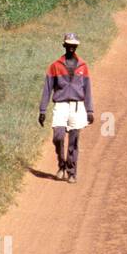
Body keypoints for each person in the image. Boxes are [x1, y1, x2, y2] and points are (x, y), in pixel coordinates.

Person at [38, 32, 95, 183]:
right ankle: (61, 163)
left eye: (74, 45)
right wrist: (42, 110)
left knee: (73, 141)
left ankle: (71, 171)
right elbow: (47, 89)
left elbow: (88, 89)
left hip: (77, 107)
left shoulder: (83, 66)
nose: (71, 47)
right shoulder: (55, 66)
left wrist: (90, 110)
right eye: (69, 45)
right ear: (64, 45)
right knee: (58, 136)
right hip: (61, 106)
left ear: (76, 46)